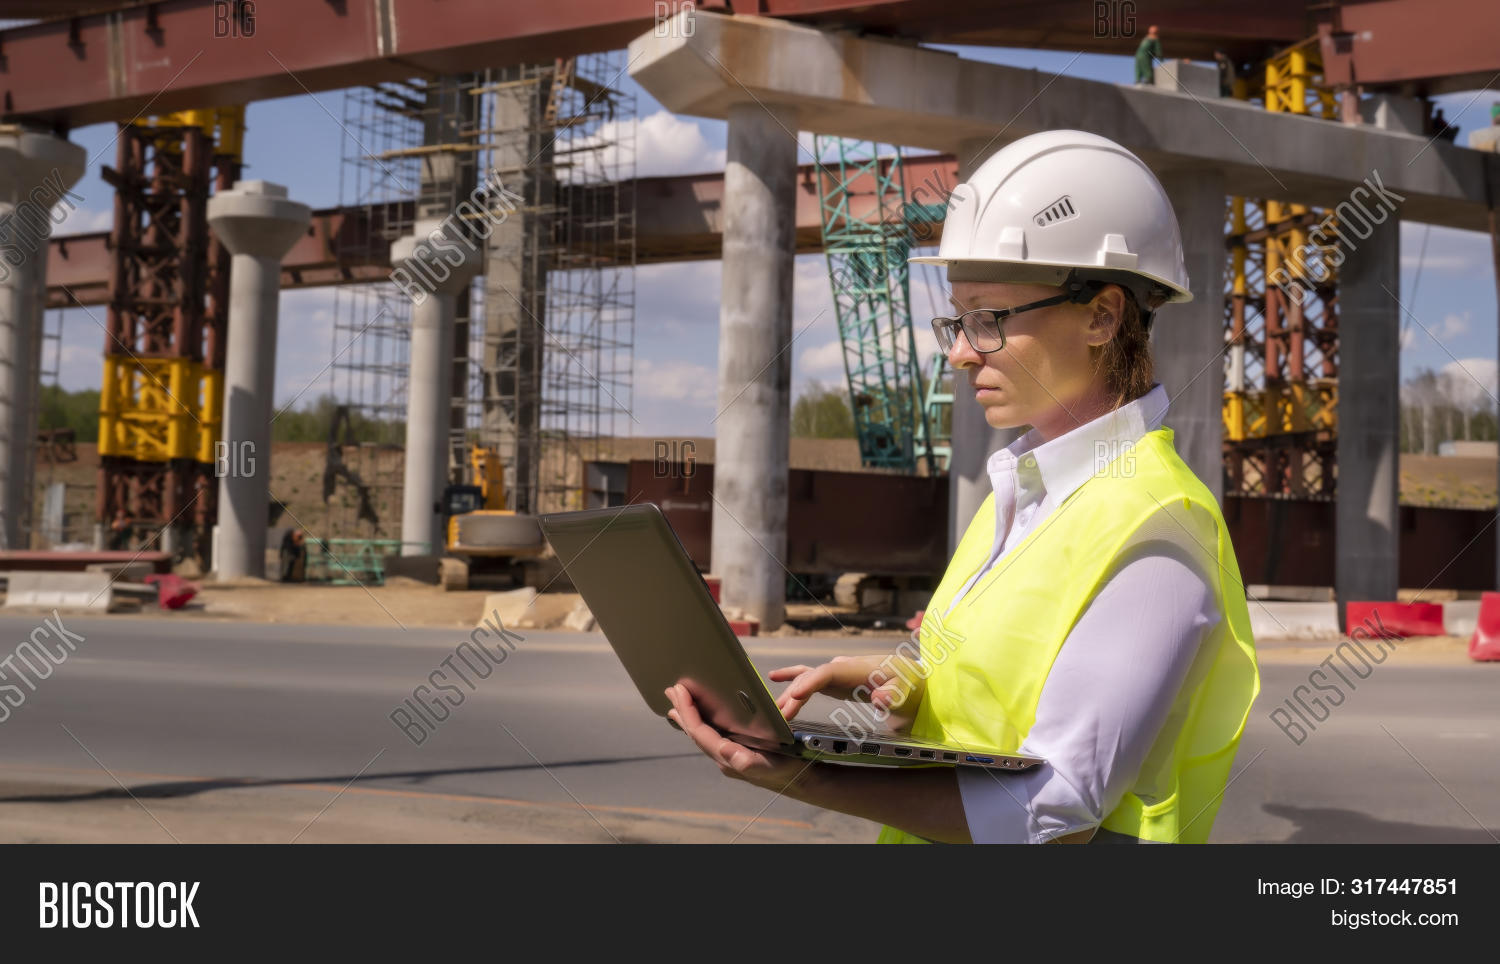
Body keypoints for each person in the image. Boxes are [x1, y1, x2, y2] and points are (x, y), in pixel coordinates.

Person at [665, 130, 1260, 844]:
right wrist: (903, 680)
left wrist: (806, 777)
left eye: (987, 320)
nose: (958, 352)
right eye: (957, 319)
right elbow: (1009, 678)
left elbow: (1055, 807)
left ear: (1102, 315)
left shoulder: (1158, 526)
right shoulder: (1024, 489)